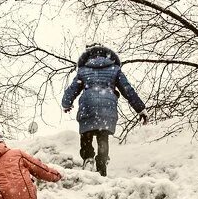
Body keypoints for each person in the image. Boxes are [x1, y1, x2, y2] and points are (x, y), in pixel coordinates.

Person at [61, 43, 146, 177]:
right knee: (103, 136)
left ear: (89, 55)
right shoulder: (115, 69)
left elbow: (72, 89)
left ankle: (88, 158)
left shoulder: (83, 70)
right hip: (107, 108)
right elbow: (128, 90)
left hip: (88, 106)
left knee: (86, 134)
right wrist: (140, 109)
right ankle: (102, 162)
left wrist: (66, 103)